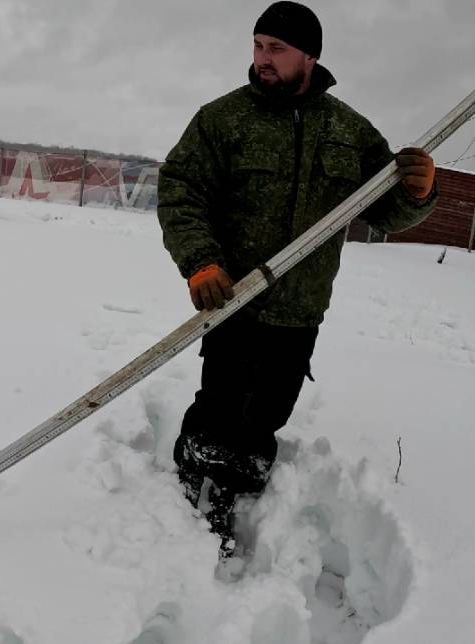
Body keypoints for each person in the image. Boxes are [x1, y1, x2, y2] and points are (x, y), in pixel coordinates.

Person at [157, 1, 436, 557]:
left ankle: (242, 481)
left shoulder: (350, 132)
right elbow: (181, 192)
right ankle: (193, 478)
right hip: (234, 296)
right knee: (220, 401)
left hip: (303, 306)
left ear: (309, 55)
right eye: (257, 45)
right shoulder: (221, 119)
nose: (261, 58)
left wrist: (418, 194)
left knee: (267, 412)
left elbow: (388, 214)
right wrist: (201, 262)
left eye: (276, 49)